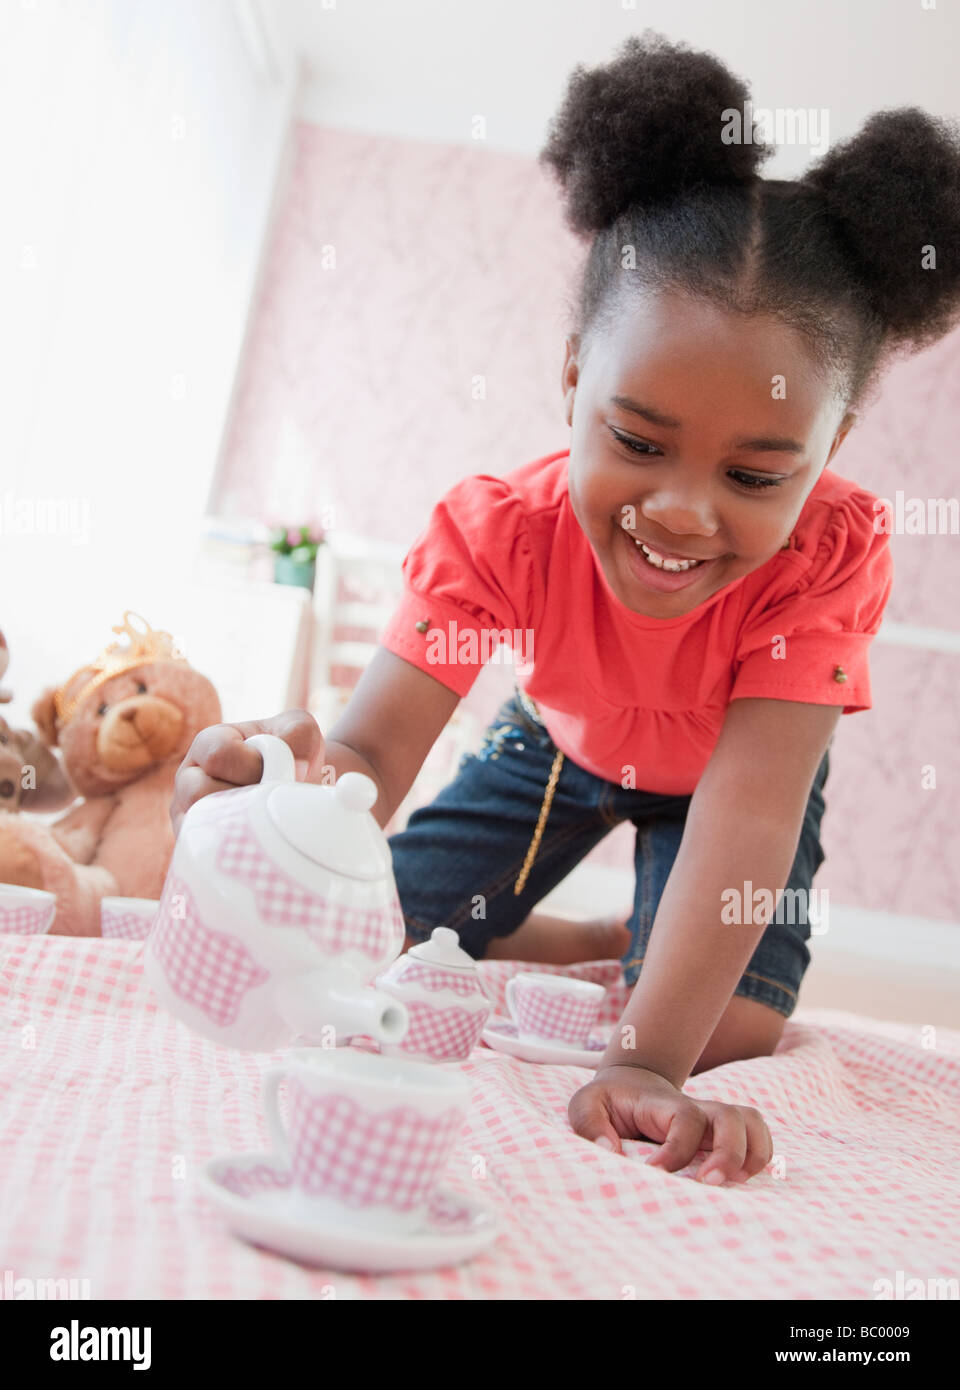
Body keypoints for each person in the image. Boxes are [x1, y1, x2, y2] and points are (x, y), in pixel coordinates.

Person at [170, 34, 960, 1184]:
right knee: (384, 929)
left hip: (724, 775)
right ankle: (598, 938)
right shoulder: (501, 533)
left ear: (829, 449)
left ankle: (643, 948)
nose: (684, 513)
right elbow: (367, 756)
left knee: (726, 1027)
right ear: (575, 379)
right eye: (639, 442)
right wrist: (270, 807)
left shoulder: (829, 558)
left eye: (753, 476)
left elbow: (749, 816)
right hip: (560, 741)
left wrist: (646, 1060)